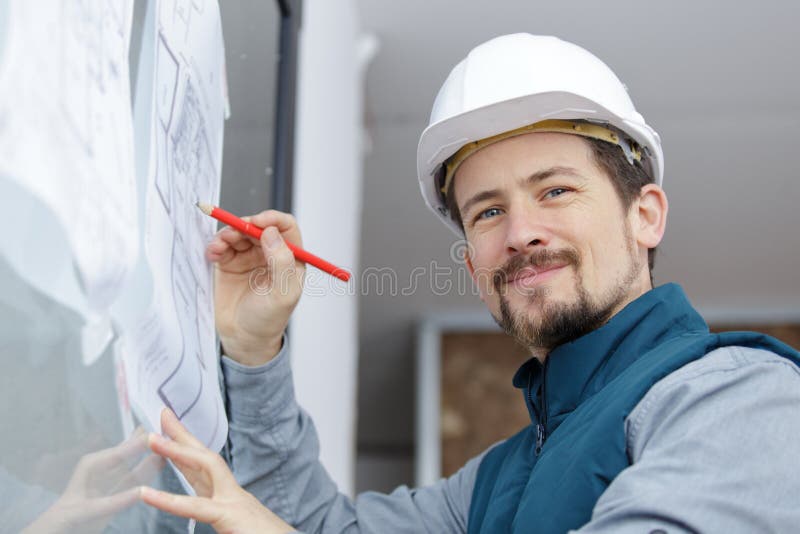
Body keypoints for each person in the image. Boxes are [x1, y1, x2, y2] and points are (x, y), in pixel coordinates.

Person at [138, 34, 800, 533]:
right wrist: (255, 350)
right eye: (488, 211)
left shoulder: (742, 400)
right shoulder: (497, 481)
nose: (520, 232)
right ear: (474, 269)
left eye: (556, 190)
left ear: (646, 215)